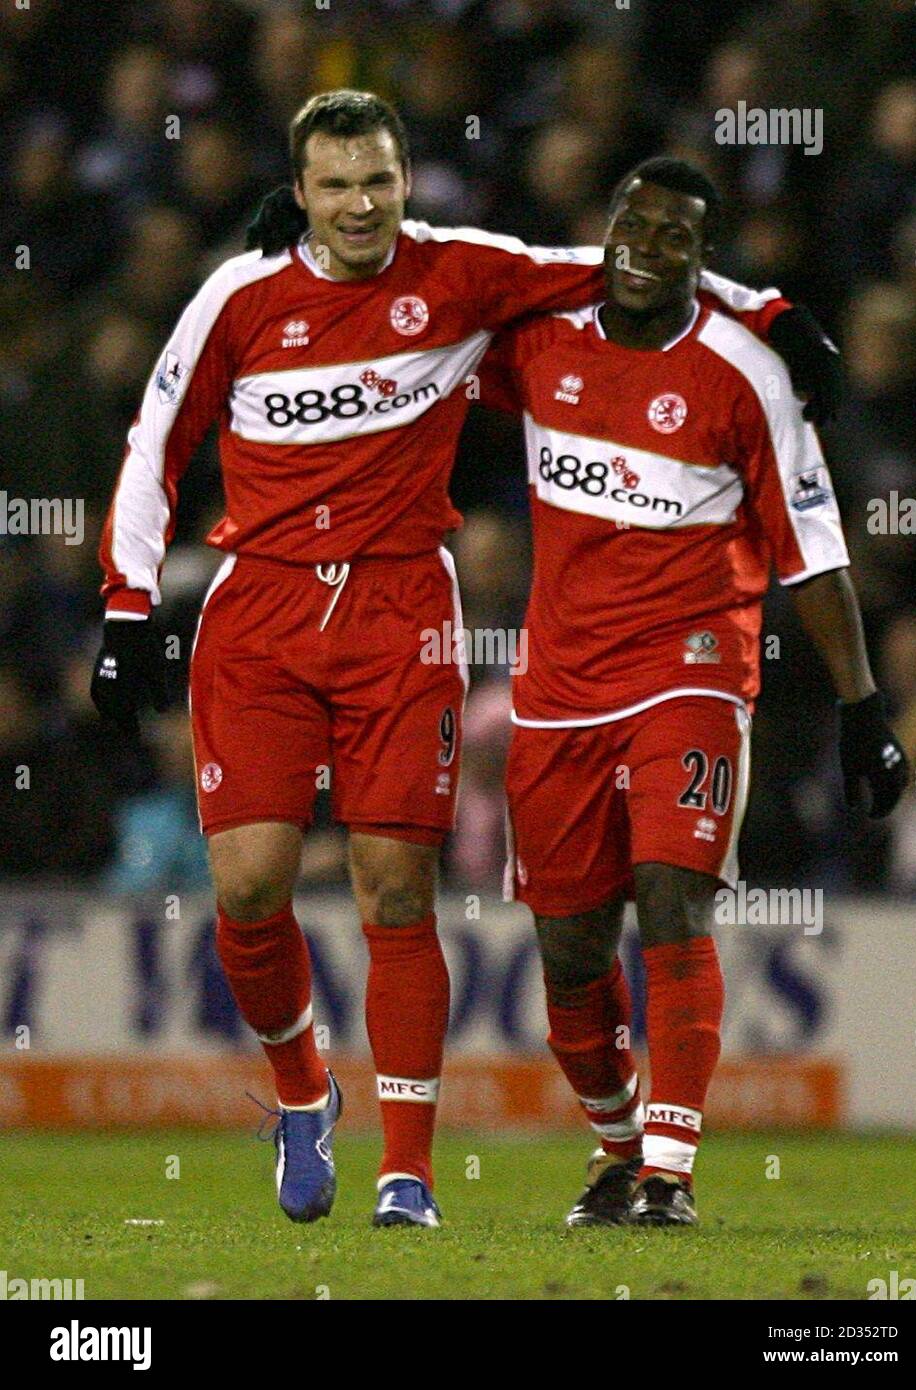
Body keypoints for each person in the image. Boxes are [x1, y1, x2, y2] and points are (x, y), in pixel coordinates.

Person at [89, 90, 840, 1230]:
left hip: (402, 612)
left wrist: (770, 311)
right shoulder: (236, 295)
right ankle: (302, 1091)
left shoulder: (467, 271)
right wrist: (126, 604)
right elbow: (156, 444)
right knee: (246, 888)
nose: (359, 205)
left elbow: (630, 262)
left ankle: (410, 1175)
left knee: (398, 888)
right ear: (300, 193)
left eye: (378, 182)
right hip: (264, 614)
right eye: (334, 185)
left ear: (407, 183)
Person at [477, 158, 908, 1228]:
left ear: (701, 261)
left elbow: (812, 552)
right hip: (558, 691)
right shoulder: (541, 341)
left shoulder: (746, 376)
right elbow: (438, 301)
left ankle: (669, 1170)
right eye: (634, 223)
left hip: (692, 671)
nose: (646, 246)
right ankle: (617, 1149)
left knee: (672, 897)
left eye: (675, 237)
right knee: (570, 951)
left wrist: (863, 707)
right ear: (606, 228)